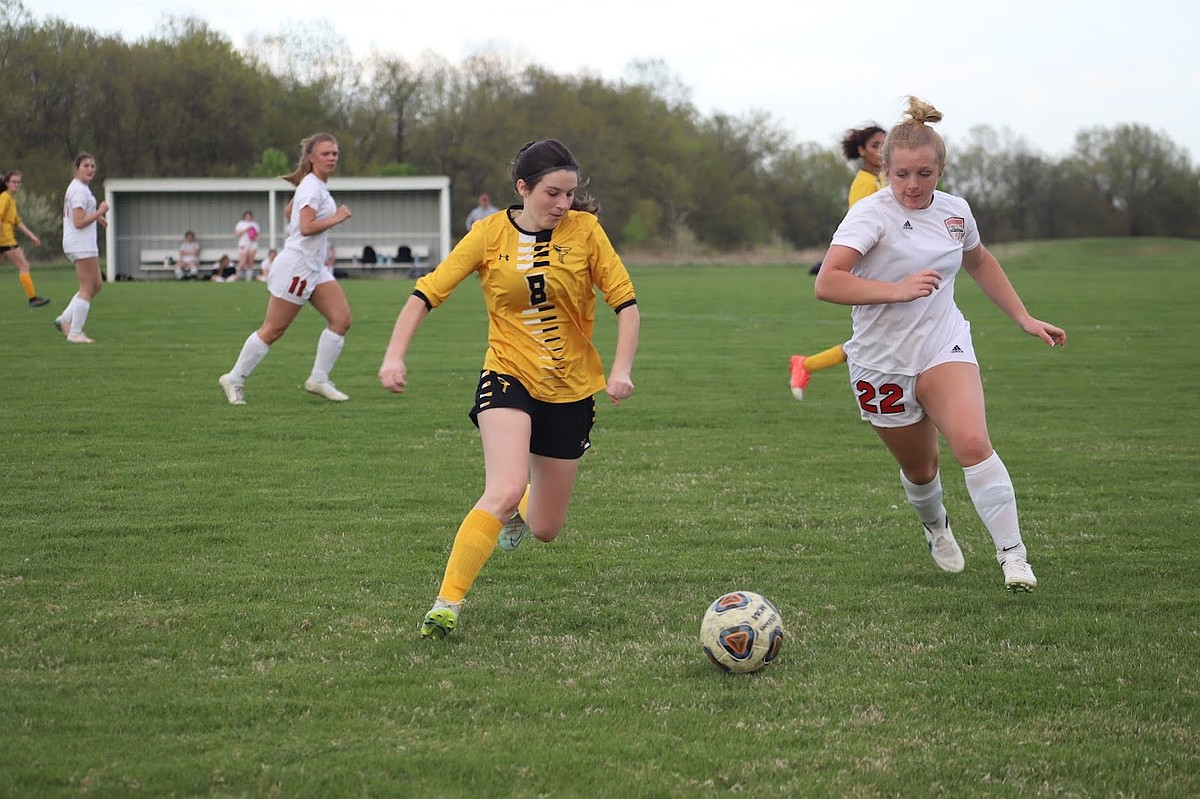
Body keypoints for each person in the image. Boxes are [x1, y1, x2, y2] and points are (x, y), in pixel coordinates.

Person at [379, 139, 640, 639]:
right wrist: (394, 355)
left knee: (545, 528)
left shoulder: (586, 232)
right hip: (507, 375)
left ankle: (521, 509)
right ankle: (447, 603)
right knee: (500, 488)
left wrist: (621, 370)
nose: (563, 205)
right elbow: (425, 293)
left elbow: (625, 302)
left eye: (570, 194)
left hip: (570, 390)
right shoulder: (487, 235)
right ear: (522, 188)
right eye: (552, 194)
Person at [812, 96, 1066, 592]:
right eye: (902, 174)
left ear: (940, 170)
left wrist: (1023, 317)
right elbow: (828, 283)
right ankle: (935, 525)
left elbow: (978, 261)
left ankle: (1013, 556)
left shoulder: (956, 212)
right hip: (880, 363)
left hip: (942, 345)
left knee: (972, 443)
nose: (912, 185)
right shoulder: (870, 215)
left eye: (924, 174)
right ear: (885, 168)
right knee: (921, 469)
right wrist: (896, 290)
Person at [218, 133, 353, 405]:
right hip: (298, 267)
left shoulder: (312, 185)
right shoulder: (312, 186)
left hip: (315, 268)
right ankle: (234, 377)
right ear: (311, 157)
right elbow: (305, 226)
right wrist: (336, 218)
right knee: (273, 330)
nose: (332, 158)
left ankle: (318, 378)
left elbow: (289, 212)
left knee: (341, 320)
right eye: (326, 153)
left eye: (335, 153)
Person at [791, 123, 887, 399]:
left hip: (885, 268)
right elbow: (857, 227)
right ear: (861, 151)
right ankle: (806, 364)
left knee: (881, 336)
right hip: (870, 270)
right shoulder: (864, 184)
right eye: (875, 146)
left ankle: (806, 364)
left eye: (885, 144)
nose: (881, 151)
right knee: (874, 338)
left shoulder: (882, 179)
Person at [54, 153, 109, 344]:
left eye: (93, 166)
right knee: (87, 288)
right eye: (86, 165)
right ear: (77, 168)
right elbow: (78, 222)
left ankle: (64, 319)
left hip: (85, 242)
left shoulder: (82, 189)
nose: (90, 169)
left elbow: (82, 214)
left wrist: (96, 215)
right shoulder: (78, 190)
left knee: (97, 285)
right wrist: (100, 211)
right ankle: (75, 333)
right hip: (80, 243)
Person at [0, 170, 50, 307]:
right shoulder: (4, 197)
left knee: (23, 265)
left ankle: (33, 299)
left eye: (19, 182)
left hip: (5, 238)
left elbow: (17, 222)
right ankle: (33, 299)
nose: (17, 184)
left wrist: (32, 236)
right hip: (5, 239)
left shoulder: (11, 199)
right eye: (14, 182)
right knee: (24, 265)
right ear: (7, 183)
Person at [234, 210, 260, 281]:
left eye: (249, 216)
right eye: (247, 216)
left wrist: (253, 236)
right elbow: (237, 234)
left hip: (252, 244)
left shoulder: (255, 224)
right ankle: (238, 276)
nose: (248, 217)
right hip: (243, 244)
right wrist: (246, 229)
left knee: (250, 261)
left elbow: (258, 235)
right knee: (242, 261)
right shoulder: (240, 223)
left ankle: (248, 277)